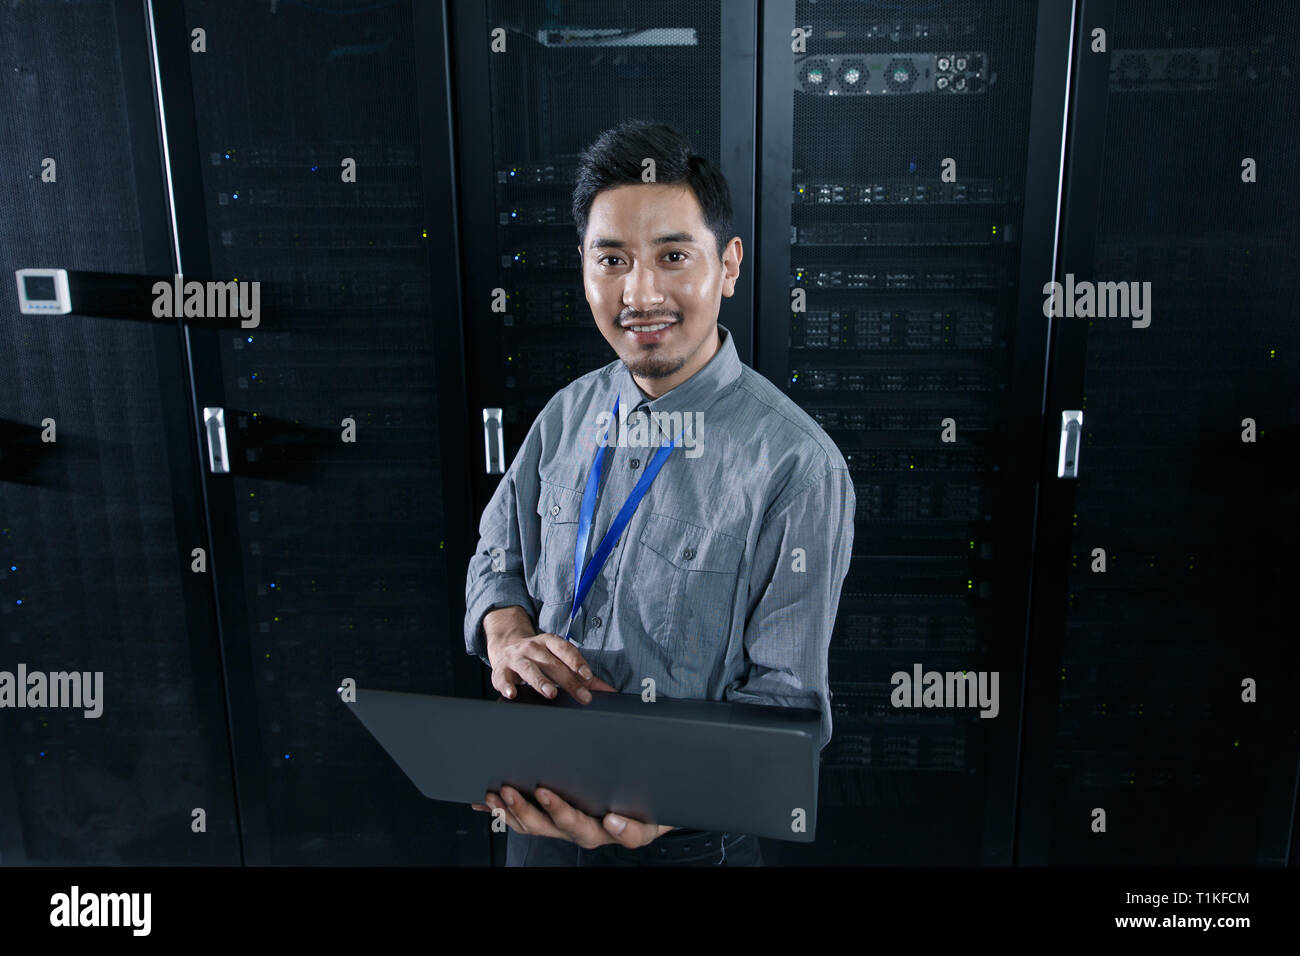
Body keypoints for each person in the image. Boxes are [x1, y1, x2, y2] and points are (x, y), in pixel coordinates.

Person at [463, 119, 855, 866]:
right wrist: (507, 634)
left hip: (685, 839)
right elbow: (496, 553)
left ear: (728, 265)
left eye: (673, 256)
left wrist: (666, 812)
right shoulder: (567, 415)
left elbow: (789, 711)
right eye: (612, 260)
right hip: (536, 813)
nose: (640, 293)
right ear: (583, 268)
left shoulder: (797, 467)